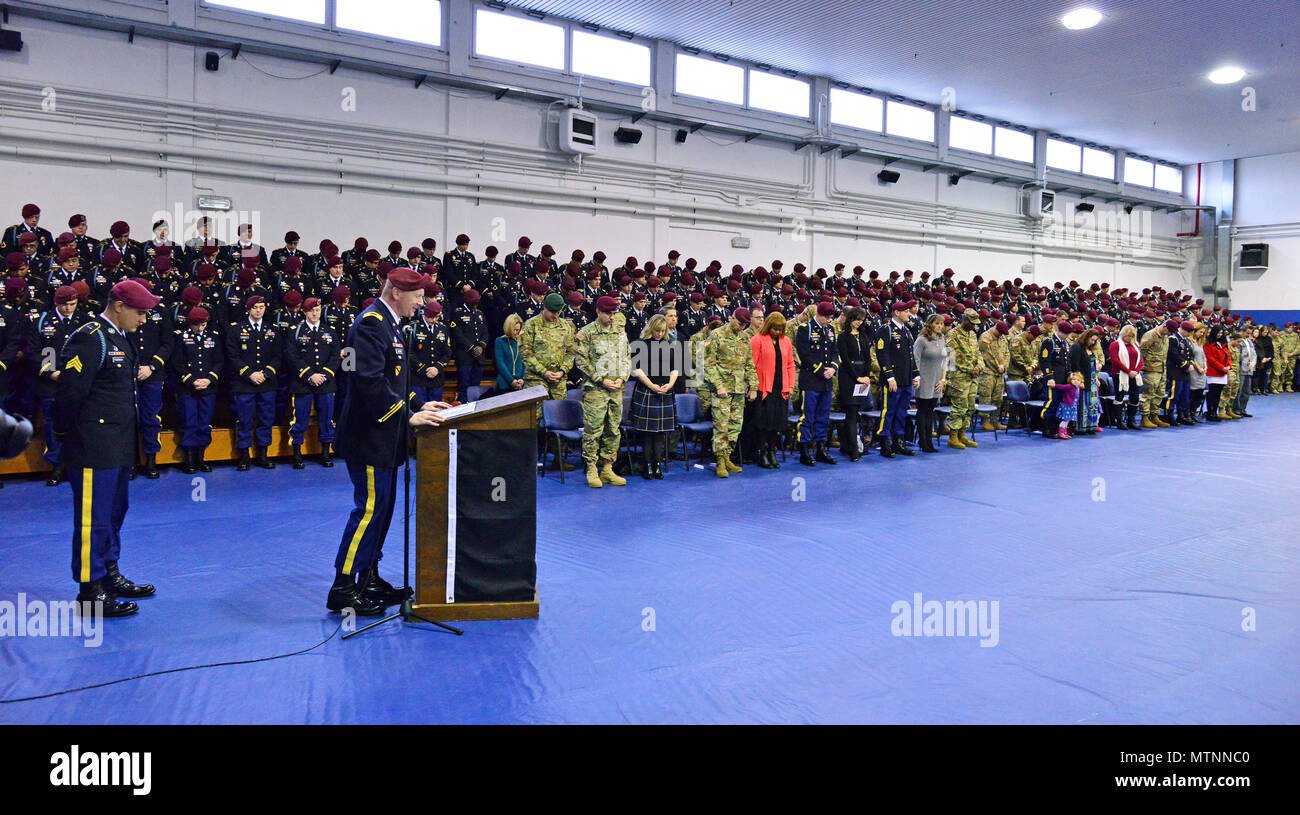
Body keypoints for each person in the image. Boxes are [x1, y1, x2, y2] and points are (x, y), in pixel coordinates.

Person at [329, 266, 450, 616]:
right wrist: (406, 415)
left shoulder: (391, 325)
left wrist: (417, 403)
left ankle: (368, 575)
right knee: (368, 511)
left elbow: (393, 381)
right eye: (417, 295)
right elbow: (367, 382)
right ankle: (343, 585)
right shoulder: (370, 324)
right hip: (369, 436)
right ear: (396, 291)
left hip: (386, 436)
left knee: (382, 510)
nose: (422, 302)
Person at [53, 279, 162, 617]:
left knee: (114, 514)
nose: (143, 319)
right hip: (92, 446)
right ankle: (89, 591)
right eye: (140, 313)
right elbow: (70, 394)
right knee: (93, 520)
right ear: (119, 305)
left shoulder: (120, 337)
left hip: (117, 444)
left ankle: (108, 573)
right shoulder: (91, 337)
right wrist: (70, 438)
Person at [574, 296, 631, 488]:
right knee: (593, 430)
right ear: (598, 311)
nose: (612, 317)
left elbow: (627, 357)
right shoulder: (587, 333)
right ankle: (591, 468)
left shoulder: (620, 331)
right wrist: (601, 380)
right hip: (596, 390)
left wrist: (622, 377)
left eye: (614, 313)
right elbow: (581, 361)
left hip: (616, 389)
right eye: (608, 313)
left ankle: (607, 468)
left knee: (613, 430)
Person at [226, 295, 280, 470]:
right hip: (244, 382)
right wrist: (249, 373)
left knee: (266, 418)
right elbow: (232, 356)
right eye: (255, 307)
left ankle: (263, 454)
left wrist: (266, 373)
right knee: (244, 419)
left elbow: (278, 355)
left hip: (266, 382)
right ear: (248, 309)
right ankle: (244, 455)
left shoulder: (272, 329)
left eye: (262, 307)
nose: (259, 310)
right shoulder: (236, 330)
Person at [285, 297, 339, 469]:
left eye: (318, 310)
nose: (315, 314)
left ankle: (325, 452)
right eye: (311, 311)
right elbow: (292, 356)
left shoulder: (329, 331)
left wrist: (323, 375)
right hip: (303, 382)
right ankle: (297, 453)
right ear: (304, 312)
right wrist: (309, 375)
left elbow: (335, 356)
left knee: (326, 418)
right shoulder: (295, 331)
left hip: (325, 382)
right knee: (300, 418)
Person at [704, 308, 758, 477]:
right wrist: (718, 385)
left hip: (739, 389)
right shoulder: (716, 335)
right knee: (721, 426)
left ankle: (728, 457)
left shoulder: (744, 338)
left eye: (744, 324)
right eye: (739, 322)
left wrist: (754, 387)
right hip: (722, 390)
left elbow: (749, 364)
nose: (741, 326)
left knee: (735, 426)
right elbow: (707, 364)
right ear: (731, 318)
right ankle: (720, 461)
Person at [170, 306, 222, 474]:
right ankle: (189, 459)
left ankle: (201, 458)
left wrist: (209, 379)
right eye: (197, 325)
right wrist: (191, 380)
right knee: (189, 422)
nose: (200, 328)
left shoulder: (213, 337)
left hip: (208, 387)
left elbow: (219, 361)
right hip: (188, 388)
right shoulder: (181, 337)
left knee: (204, 423)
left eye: (203, 325)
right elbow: (177, 362)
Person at [630, 314, 679, 479]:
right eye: (657, 330)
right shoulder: (640, 345)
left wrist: (670, 384)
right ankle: (647, 465)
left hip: (665, 391)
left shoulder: (670, 345)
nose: (659, 333)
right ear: (651, 328)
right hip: (646, 391)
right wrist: (651, 385)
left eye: (662, 331)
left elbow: (675, 369)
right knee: (647, 432)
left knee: (660, 433)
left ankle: (657, 464)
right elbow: (636, 370)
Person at [794, 301, 839, 465]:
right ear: (819, 315)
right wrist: (822, 371)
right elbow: (804, 355)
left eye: (831, 317)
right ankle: (804, 450)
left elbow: (835, 352)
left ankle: (820, 448)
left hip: (827, 382)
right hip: (811, 381)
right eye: (827, 316)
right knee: (807, 417)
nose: (829, 319)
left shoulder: (831, 330)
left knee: (824, 417)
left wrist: (833, 368)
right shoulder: (805, 329)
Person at [750, 311, 795, 469]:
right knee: (763, 422)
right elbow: (751, 366)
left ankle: (772, 452)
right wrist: (753, 387)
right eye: (775, 329)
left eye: (780, 329)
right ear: (769, 326)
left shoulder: (786, 341)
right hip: (764, 388)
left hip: (780, 387)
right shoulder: (757, 340)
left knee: (777, 423)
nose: (778, 332)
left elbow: (790, 364)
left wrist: (790, 385)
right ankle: (762, 452)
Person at [835, 306, 872, 461]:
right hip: (848, 377)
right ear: (850, 319)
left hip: (862, 376)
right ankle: (853, 450)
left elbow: (868, 358)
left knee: (857, 412)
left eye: (861, 321)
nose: (858, 323)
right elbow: (845, 360)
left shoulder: (863, 337)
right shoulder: (843, 337)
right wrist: (857, 378)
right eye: (857, 320)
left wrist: (866, 376)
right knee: (850, 413)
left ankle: (851, 445)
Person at [944, 309, 984, 449]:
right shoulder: (952, 335)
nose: (974, 326)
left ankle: (963, 434)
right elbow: (951, 357)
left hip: (973, 377)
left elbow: (978, 353)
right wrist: (969, 369)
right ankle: (953, 436)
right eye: (972, 323)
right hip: (959, 377)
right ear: (965, 320)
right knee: (958, 407)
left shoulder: (972, 334)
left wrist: (979, 366)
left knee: (970, 407)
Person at [912, 314, 948, 453]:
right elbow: (915, 360)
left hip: (937, 381)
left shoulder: (941, 339)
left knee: (930, 412)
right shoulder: (921, 340)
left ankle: (928, 441)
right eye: (937, 323)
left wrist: (943, 379)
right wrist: (917, 378)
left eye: (941, 324)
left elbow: (945, 361)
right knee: (923, 412)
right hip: (924, 380)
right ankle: (924, 441)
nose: (940, 326)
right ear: (930, 324)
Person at [449, 288, 488, 402]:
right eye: (473, 303)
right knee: (464, 386)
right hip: (465, 356)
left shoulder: (480, 313)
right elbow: (457, 334)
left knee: (476, 386)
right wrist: (472, 348)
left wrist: (481, 346)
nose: (475, 305)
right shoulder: (458, 313)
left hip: (479, 357)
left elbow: (485, 332)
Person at [1037, 314, 1072, 438]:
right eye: (1065, 333)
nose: (1067, 336)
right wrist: (1049, 377)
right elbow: (1044, 360)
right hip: (1053, 379)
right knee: (1051, 403)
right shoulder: (1049, 342)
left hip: (1063, 380)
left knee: (1059, 404)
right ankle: (1046, 428)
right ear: (1060, 331)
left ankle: (1055, 427)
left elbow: (1067, 362)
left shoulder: (1065, 343)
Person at [1108, 324, 1143, 430]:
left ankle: (1131, 420)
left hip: (1134, 375)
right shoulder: (1115, 344)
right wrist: (1128, 371)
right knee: (1120, 396)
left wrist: (1136, 371)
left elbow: (1140, 360)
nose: (1130, 338)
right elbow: (1115, 360)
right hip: (1120, 374)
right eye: (1128, 336)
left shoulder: (1135, 345)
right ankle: (1119, 421)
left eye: (1132, 336)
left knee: (1135, 397)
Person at [1069, 328, 1103, 435]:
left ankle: (1091, 426)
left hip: (1091, 380)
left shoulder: (1088, 348)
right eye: (1092, 340)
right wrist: (1080, 380)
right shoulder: (1077, 347)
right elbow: (1075, 365)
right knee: (1082, 405)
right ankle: (1081, 427)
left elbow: (1092, 366)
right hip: (1082, 380)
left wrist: (1096, 378)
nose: (1093, 342)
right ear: (1086, 337)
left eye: (1095, 341)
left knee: (1092, 405)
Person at [1139, 320, 1171, 427]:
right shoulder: (1150, 335)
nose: (1170, 333)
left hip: (1162, 368)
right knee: (1148, 394)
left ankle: (1154, 416)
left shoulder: (1165, 336)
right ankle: (1144, 417)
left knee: (1160, 393)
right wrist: (1143, 367)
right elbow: (1142, 352)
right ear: (1164, 327)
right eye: (1169, 331)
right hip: (1151, 369)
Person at [1202, 325, 1230, 422]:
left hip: (1223, 373)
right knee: (1212, 393)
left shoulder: (1223, 343)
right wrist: (1222, 368)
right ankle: (1210, 412)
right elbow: (1210, 359)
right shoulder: (1208, 344)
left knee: (1218, 394)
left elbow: (1228, 355)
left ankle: (1215, 411)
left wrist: (1228, 366)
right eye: (1218, 333)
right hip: (1213, 372)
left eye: (1221, 333)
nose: (1220, 335)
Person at [495, 313, 526, 393]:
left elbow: (525, 362)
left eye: (518, 330)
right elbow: (500, 364)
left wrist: (522, 378)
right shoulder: (499, 341)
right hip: (504, 384)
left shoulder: (523, 341)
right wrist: (511, 381)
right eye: (514, 330)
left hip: (521, 384)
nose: (516, 332)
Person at [1233, 327, 1256, 417]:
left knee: (1246, 390)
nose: (1248, 335)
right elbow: (1238, 356)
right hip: (1241, 368)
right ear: (1241, 332)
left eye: (1250, 333)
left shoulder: (1249, 342)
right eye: (1247, 333)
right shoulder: (1238, 342)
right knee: (1239, 390)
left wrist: (1253, 362)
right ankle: (1236, 409)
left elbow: (1254, 353)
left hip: (1249, 369)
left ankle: (1243, 408)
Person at [1188, 324, 1208, 420]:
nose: (1201, 334)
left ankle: (1193, 412)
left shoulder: (1200, 342)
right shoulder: (1190, 342)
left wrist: (1205, 366)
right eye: (1200, 332)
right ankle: (1189, 413)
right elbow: (1192, 357)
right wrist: (1198, 367)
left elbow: (1203, 356)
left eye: (1203, 333)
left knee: (1200, 393)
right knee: (1193, 393)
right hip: (1194, 371)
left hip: (1202, 371)